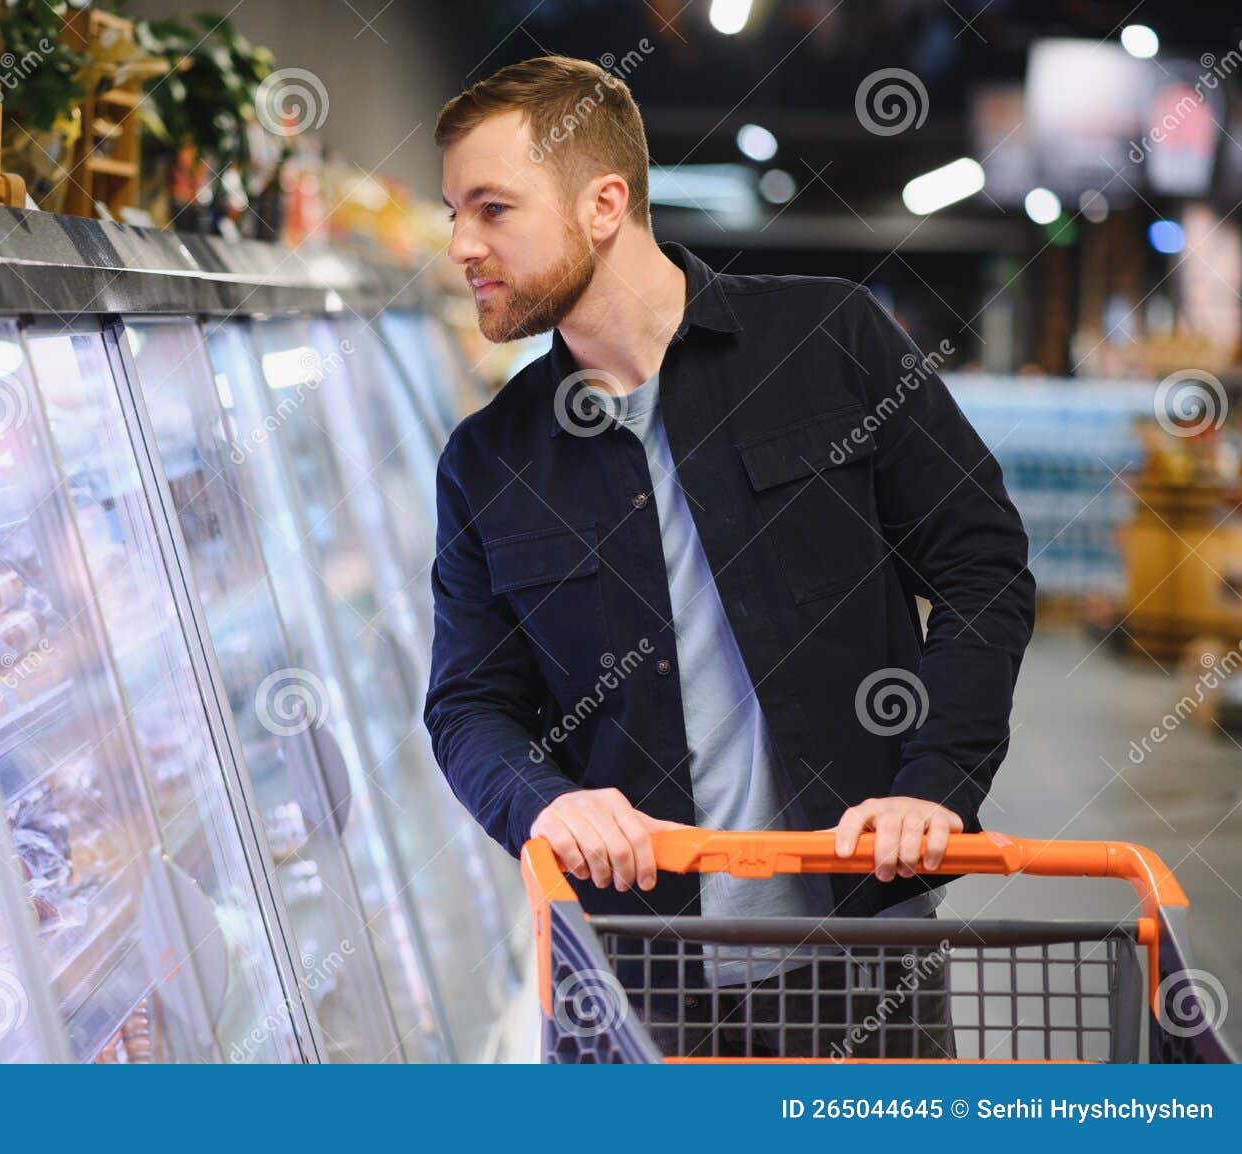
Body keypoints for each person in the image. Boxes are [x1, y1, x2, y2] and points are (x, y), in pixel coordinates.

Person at [422, 55, 1034, 1058]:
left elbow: (981, 564)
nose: (459, 245)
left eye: (491, 209)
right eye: (454, 211)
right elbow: (468, 704)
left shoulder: (829, 343)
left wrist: (934, 781)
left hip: (855, 950)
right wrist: (548, 802)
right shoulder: (489, 459)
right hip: (630, 968)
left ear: (602, 203)